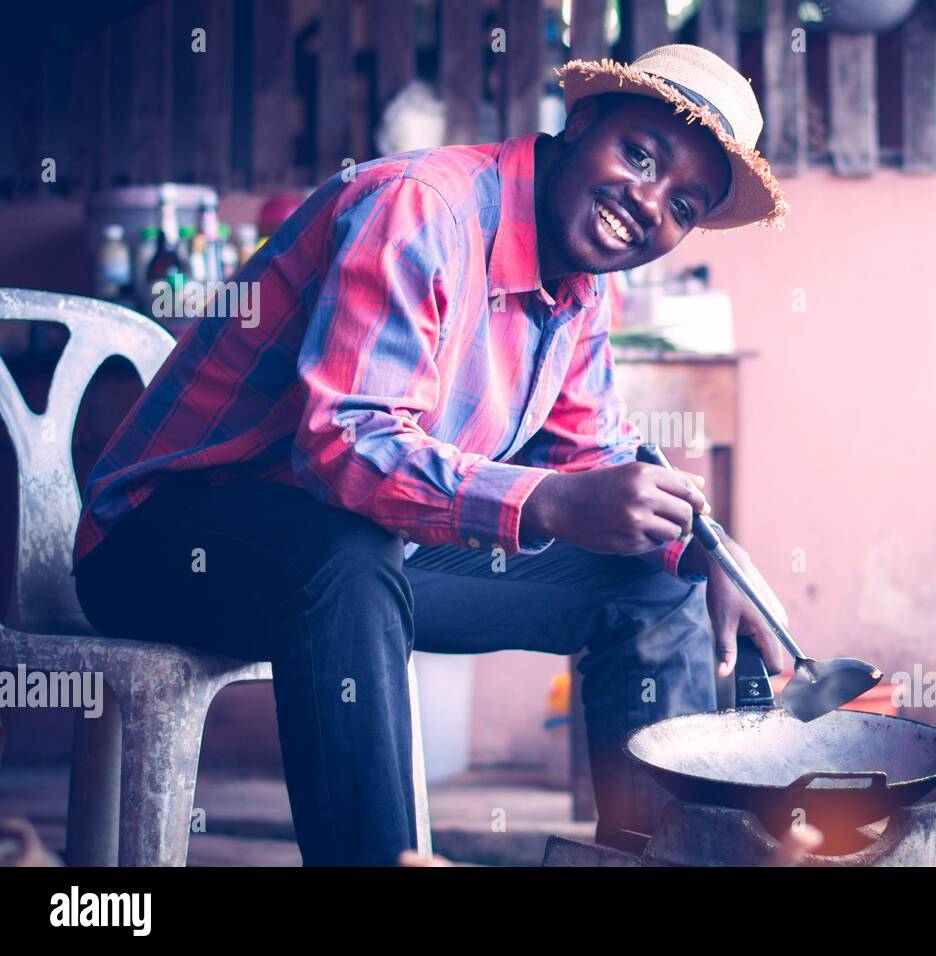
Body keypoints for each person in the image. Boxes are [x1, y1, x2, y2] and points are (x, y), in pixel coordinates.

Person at [71, 44, 788, 866]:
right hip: (159, 547)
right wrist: (548, 501)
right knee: (344, 551)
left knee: (656, 585)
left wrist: (704, 547)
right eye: (639, 154)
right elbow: (345, 447)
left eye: (684, 203)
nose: (647, 201)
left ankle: (656, 860)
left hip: (360, 553)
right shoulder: (422, 206)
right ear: (580, 120)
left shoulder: (585, 287)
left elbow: (593, 451)